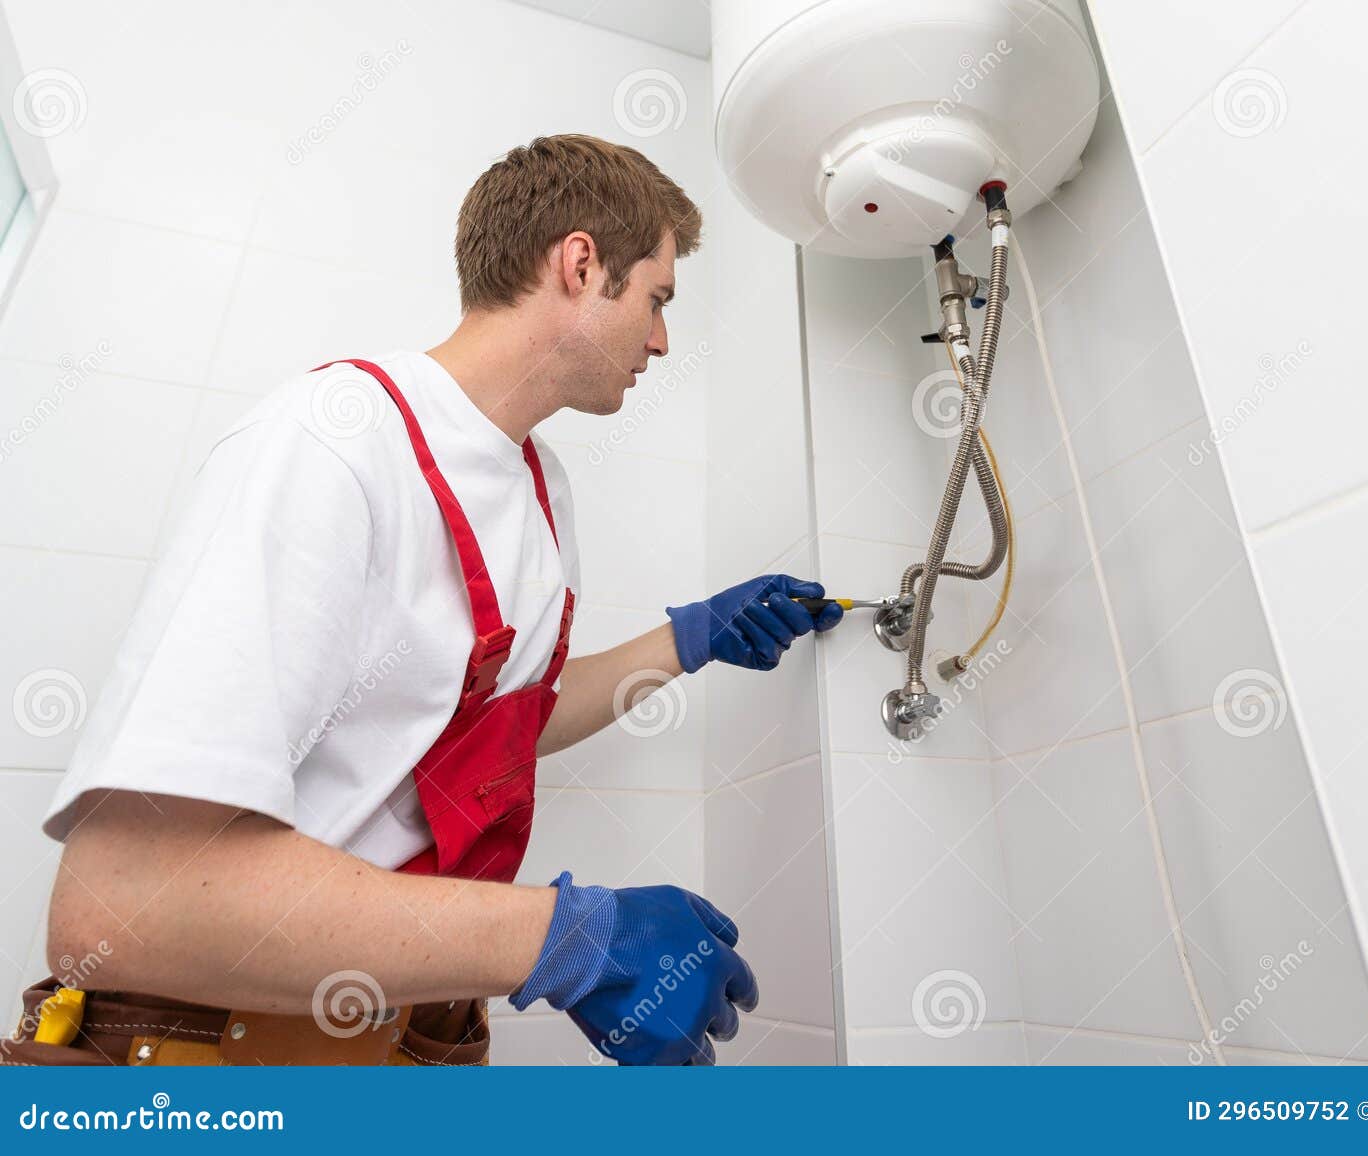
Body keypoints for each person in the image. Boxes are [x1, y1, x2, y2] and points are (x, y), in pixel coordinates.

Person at [10, 134, 843, 1067]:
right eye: (656, 298)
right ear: (580, 266)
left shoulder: (541, 486)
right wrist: (565, 940)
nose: (659, 338)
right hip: (221, 1054)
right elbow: (130, 901)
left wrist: (688, 642)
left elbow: (483, 725)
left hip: (410, 1048)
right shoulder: (334, 441)